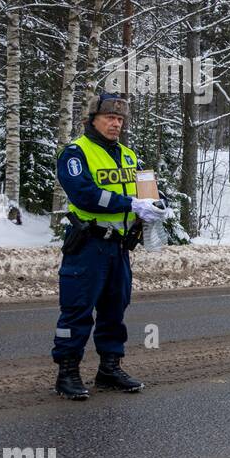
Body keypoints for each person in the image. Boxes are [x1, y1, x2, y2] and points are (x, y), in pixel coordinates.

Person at [53, 92, 170, 400]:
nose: (115, 124)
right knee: (77, 309)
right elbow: (84, 194)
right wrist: (132, 203)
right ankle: (67, 373)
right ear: (92, 120)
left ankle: (109, 367)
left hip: (119, 246)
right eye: (109, 118)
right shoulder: (76, 153)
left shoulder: (129, 156)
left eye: (120, 119)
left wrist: (157, 205)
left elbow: (148, 192)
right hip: (88, 244)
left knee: (115, 308)